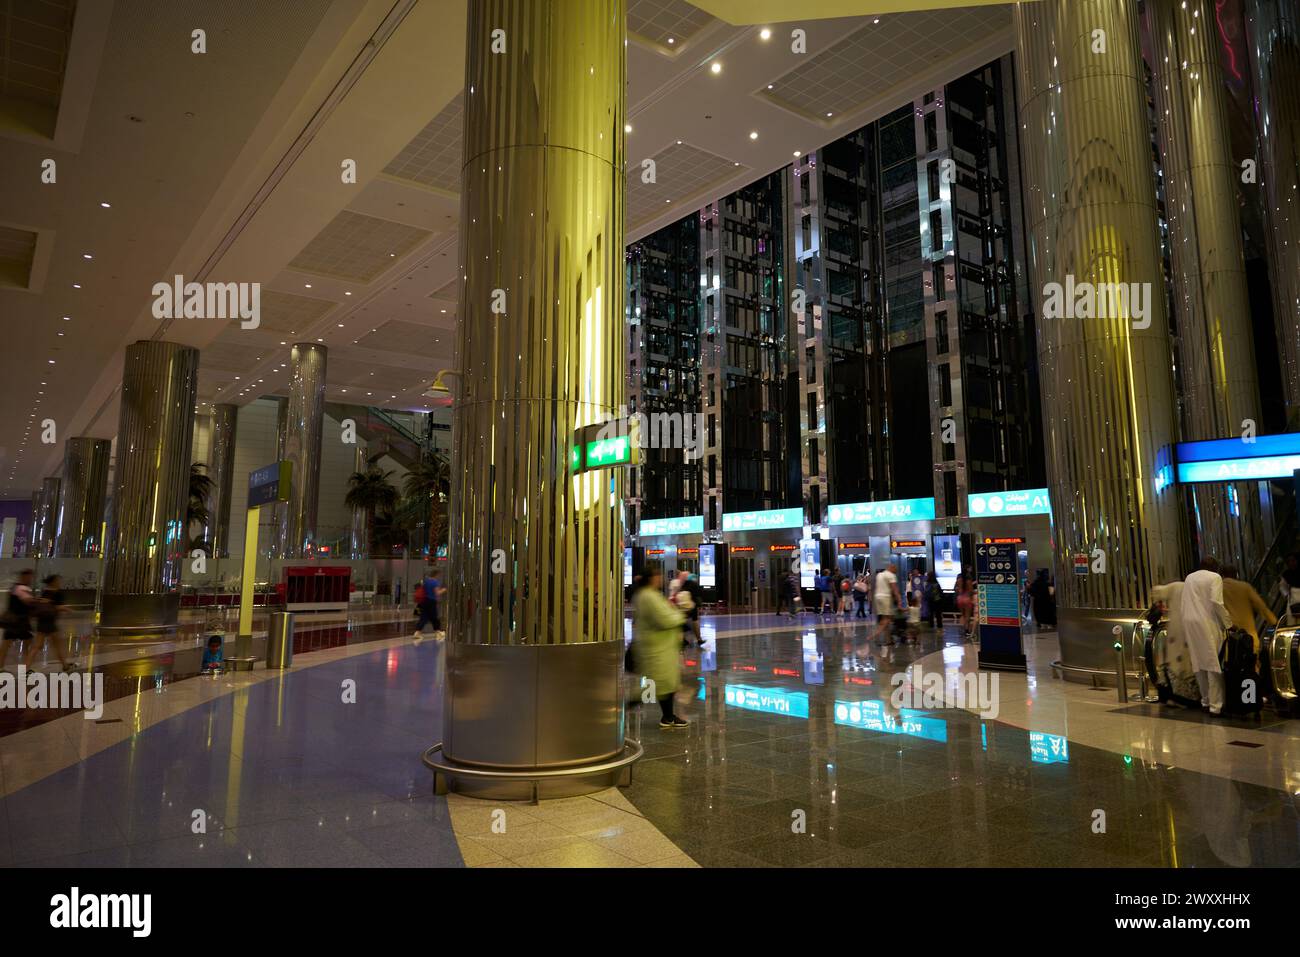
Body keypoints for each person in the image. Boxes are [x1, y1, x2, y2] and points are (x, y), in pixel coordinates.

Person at [631, 569, 689, 729]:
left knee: (664, 683)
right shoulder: (649, 596)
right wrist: (681, 614)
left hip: (658, 646)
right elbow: (664, 619)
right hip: (659, 647)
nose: (660, 579)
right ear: (651, 578)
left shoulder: (646, 594)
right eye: (657, 576)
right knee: (663, 683)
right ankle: (625, 706)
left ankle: (668, 716)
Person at [1181, 557, 1232, 715]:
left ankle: (1205, 700)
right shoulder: (1215, 577)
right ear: (1215, 568)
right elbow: (1217, 602)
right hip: (1207, 623)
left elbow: (1184, 602)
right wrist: (1229, 623)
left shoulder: (1190, 577)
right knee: (1213, 662)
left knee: (1198, 662)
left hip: (1189, 622)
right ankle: (1216, 706)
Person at [1149, 579, 1199, 706]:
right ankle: (1186, 697)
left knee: (1173, 662)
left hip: (1175, 629)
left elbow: (1156, 590)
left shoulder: (1176, 586)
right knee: (1186, 663)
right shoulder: (1195, 589)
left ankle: (1171, 696)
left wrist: (1159, 605)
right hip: (1191, 628)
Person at [1220, 566, 1276, 656]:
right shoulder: (1245, 587)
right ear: (1236, 575)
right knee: (1252, 664)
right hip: (1249, 635)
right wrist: (1274, 621)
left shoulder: (1218, 589)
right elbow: (1261, 606)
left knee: (1232, 665)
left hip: (1230, 638)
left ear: (1222, 575)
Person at [25, 574, 71, 671]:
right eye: (58, 581)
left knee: (37, 646)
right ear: (54, 582)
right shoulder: (58, 593)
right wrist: (66, 608)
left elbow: (43, 606)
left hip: (42, 622)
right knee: (57, 645)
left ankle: (26, 668)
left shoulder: (45, 592)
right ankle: (65, 666)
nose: (59, 582)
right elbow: (58, 607)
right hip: (50, 623)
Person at [1, 570, 39, 669]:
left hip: (13, 621)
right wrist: (39, 601)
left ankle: (1, 668)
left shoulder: (14, 587)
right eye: (29, 577)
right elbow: (28, 601)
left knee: (6, 646)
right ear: (24, 577)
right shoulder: (21, 588)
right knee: (31, 645)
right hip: (20, 622)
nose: (31, 579)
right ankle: (26, 669)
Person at [872, 562, 902, 644]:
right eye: (895, 570)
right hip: (885, 598)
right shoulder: (891, 575)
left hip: (877, 597)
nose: (896, 572)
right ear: (892, 568)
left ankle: (888, 639)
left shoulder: (879, 575)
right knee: (887, 618)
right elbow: (894, 589)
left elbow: (876, 587)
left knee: (885, 618)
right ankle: (875, 635)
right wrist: (899, 601)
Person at [413, 566, 444, 641]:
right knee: (434, 617)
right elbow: (437, 593)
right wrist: (443, 590)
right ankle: (438, 632)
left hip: (424, 601)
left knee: (424, 617)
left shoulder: (426, 581)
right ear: (436, 575)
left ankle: (417, 632)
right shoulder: (435, 582)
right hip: (432, 601)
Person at [681, 572, 704, 644]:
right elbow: (698, 595)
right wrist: (699, 605)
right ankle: (699, 639)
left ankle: (683, 639)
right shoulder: (694, 584)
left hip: (684, 606)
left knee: (683, 621)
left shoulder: (683, 585)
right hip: (692, 605)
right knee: (695, 621)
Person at [955, 568, 975, 639]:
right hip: (967, 599)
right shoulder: (968, 581)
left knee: (963, 615)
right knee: (967, 616)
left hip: (959, 599)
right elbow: (971, 591)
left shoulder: (958, 580)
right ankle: (967, 630)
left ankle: (964, 629)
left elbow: (956, 589)